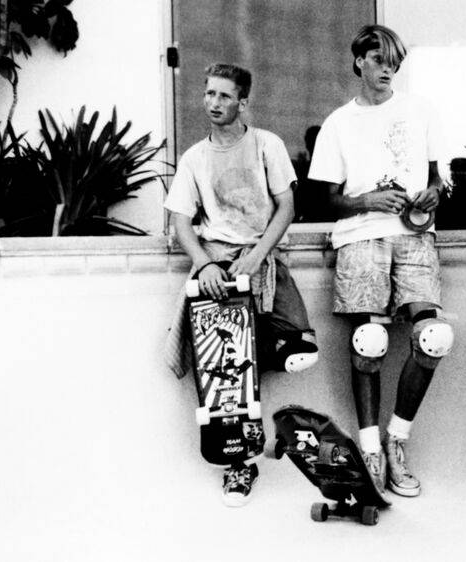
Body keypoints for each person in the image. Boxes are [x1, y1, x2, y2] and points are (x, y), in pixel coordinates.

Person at [307, 25, 454, 498]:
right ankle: (369, 451)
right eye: (379, 60)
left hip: (414, 235)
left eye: (394, 62)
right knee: (368, 342)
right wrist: (367, 201)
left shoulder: (421, 110)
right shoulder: (338, 123)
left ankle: (397, 442)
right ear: (359, 62)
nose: (388, 69)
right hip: (360, 238)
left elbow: (439, 179)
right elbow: (324, 199)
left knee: (433, 337)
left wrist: (434, 193)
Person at [163, 63, 319, 506]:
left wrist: (257, 255)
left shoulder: (266, 145)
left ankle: (258, 383)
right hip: (217, 268)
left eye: (224, 96)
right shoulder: (194, 158)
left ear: (243, 102)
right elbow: (180, 222)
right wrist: (205, 265)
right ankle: (240, 464)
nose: (213, 103)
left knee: (299, 350)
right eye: (209, 93)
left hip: (261, 260)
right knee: (227, 372)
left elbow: (286, 207)